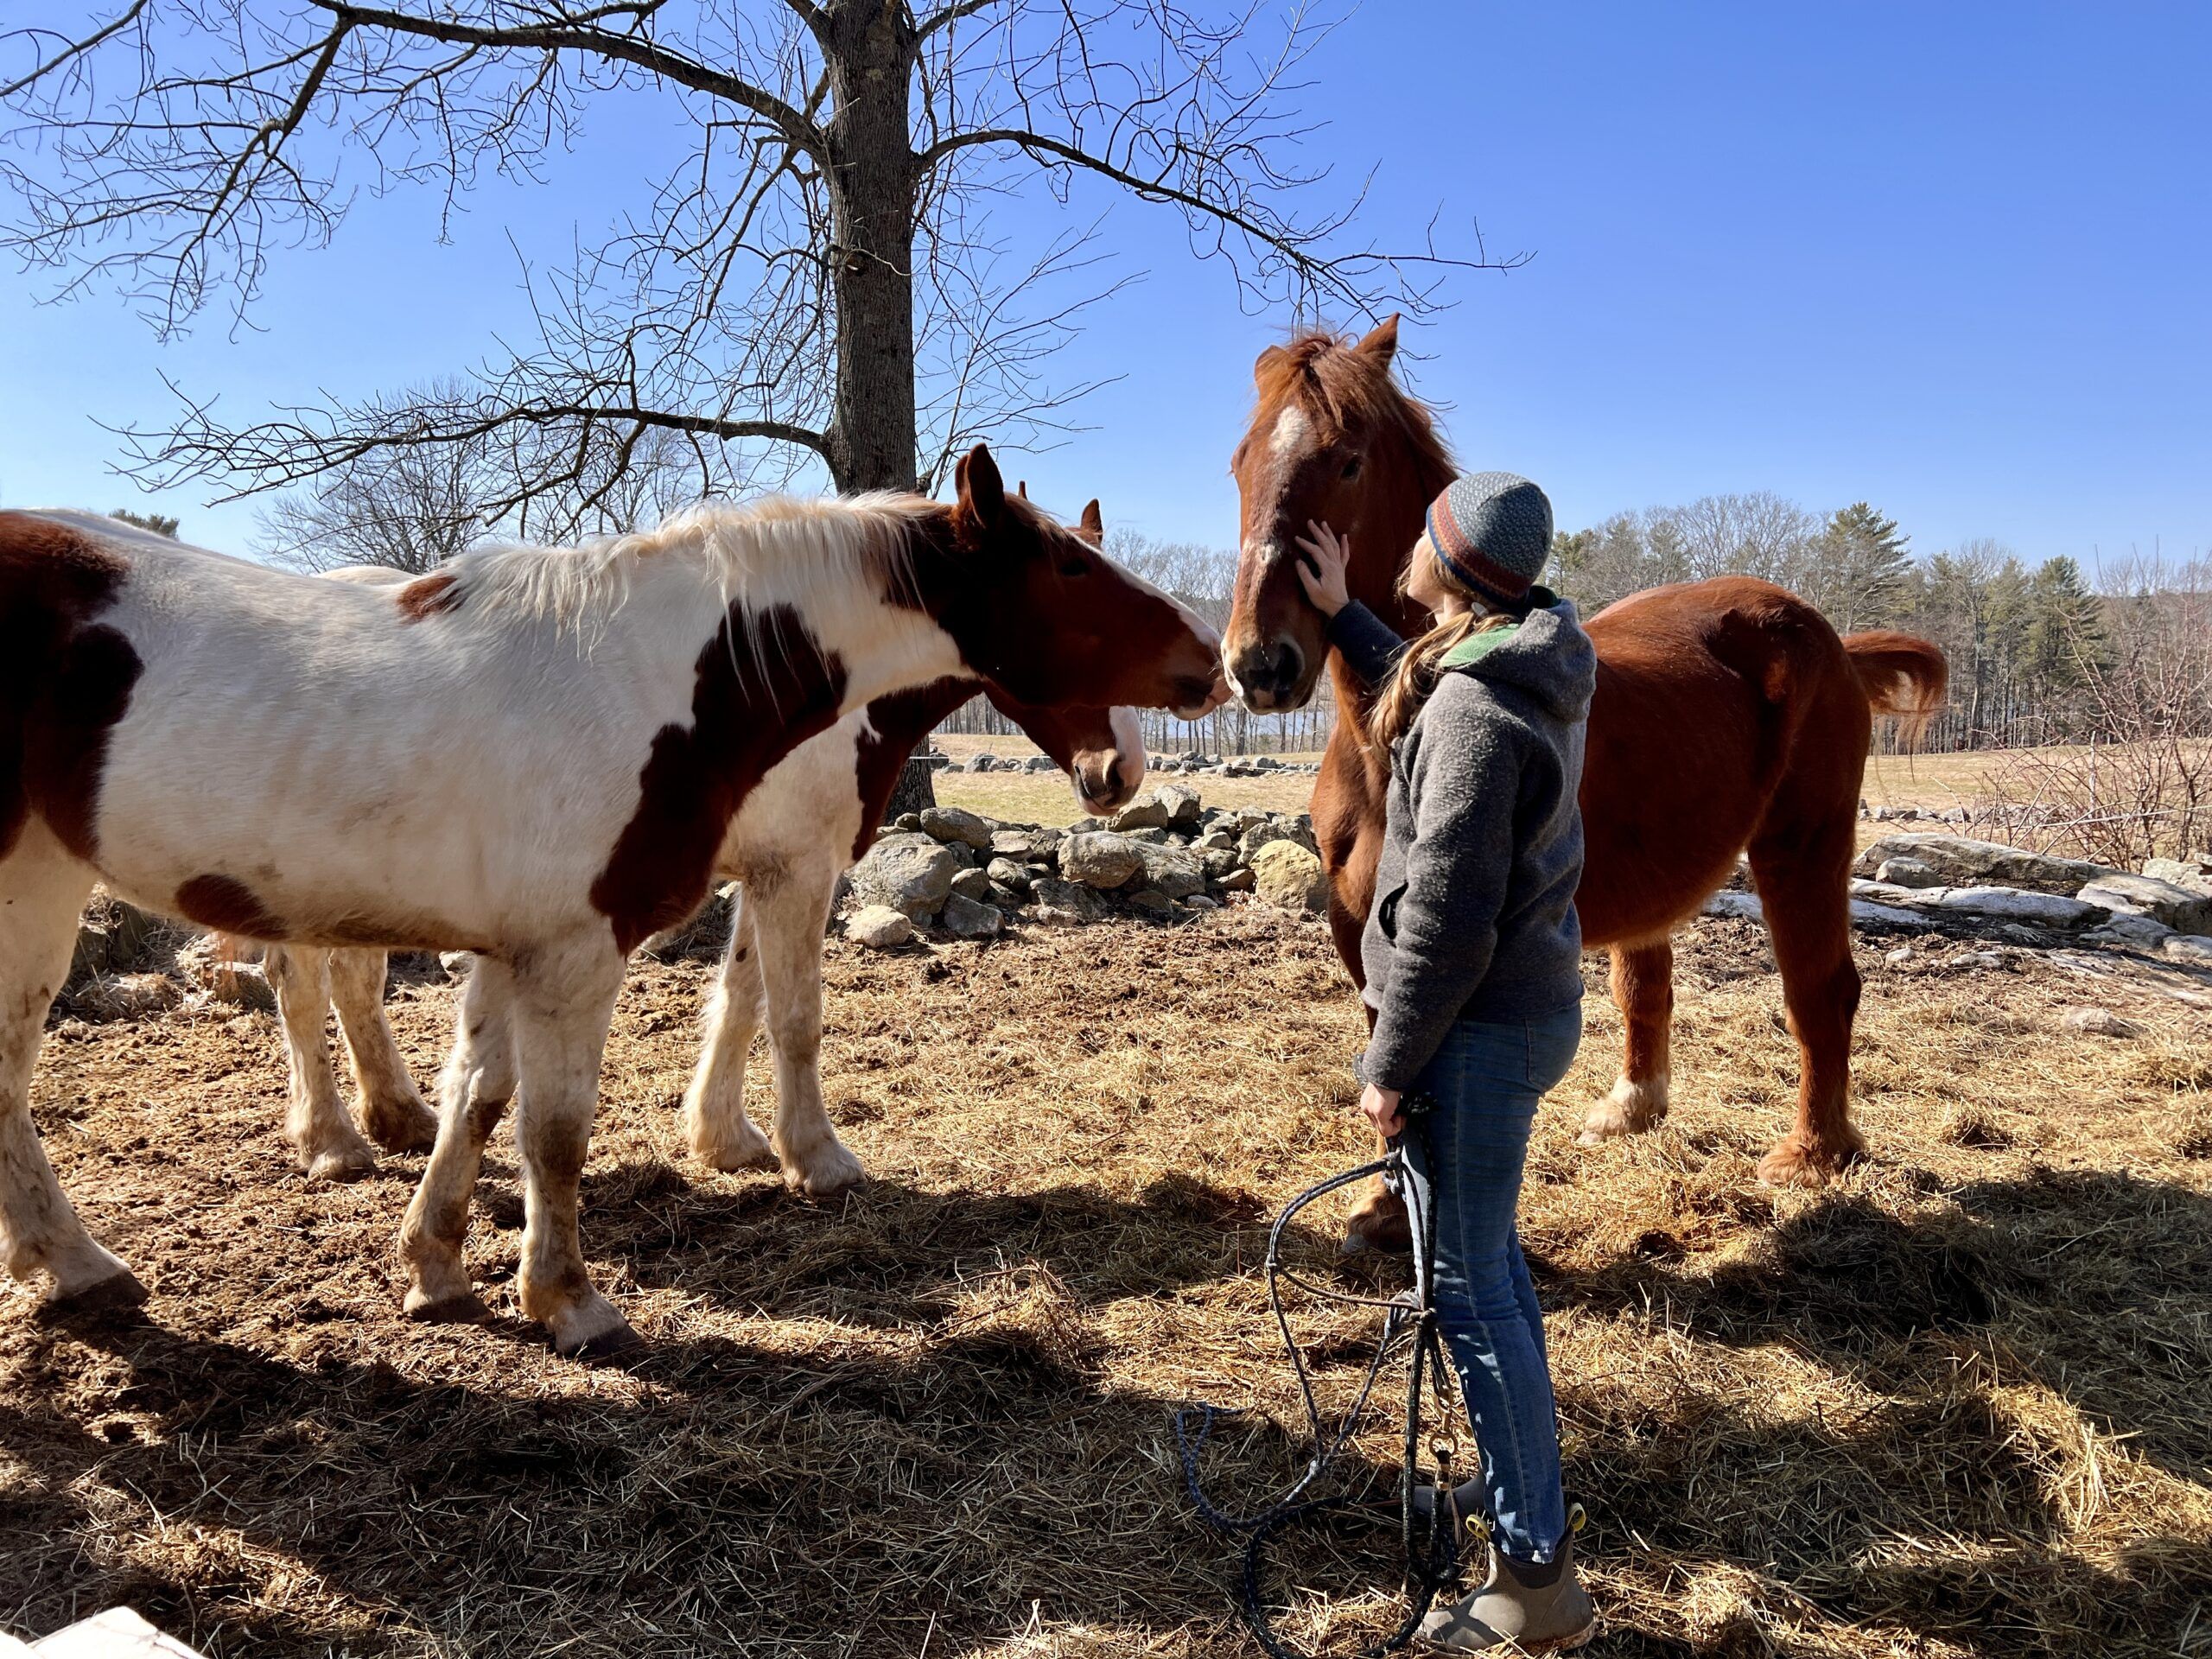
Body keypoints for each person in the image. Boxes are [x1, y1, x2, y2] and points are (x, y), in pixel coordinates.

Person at [1294, 473, 1599, 1653]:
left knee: (1471, 1295)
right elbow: (1434, 671)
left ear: (1453, 569)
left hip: (1470, 1033)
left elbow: (1447, 920)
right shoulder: (1525, 659)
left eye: (1421, 539)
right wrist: (1339, 615)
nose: (1405, 552)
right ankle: (1515, 1498)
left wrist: (1387, 1060)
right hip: (1514, 1013)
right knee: (1491, 1270)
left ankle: (1536, 1584)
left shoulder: (1473, 719)